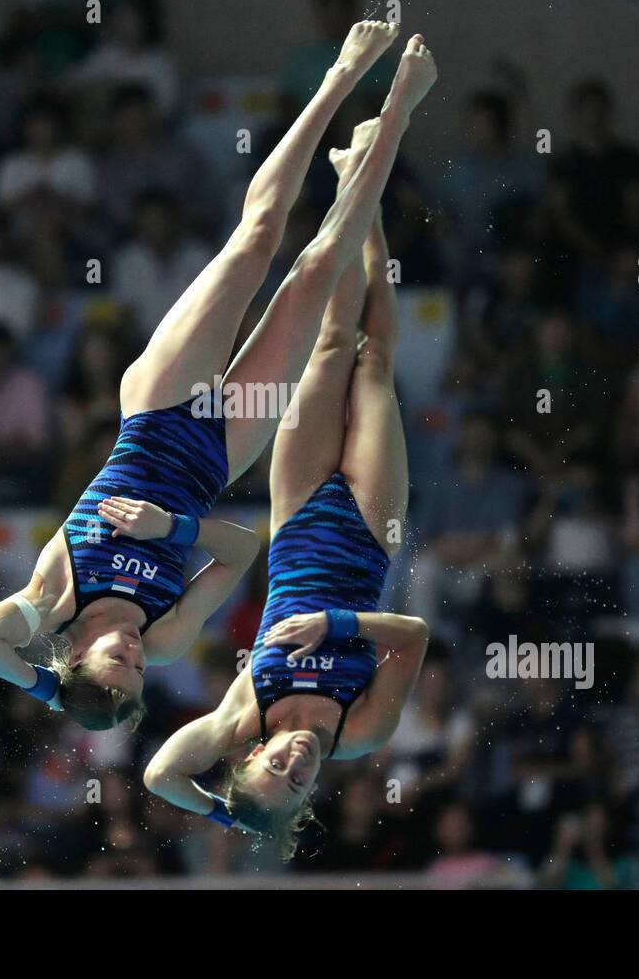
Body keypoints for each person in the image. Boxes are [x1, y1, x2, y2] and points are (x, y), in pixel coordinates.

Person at [0, 26, 435, 734]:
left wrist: (60, 695)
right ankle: (396, 112)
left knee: (255, 240)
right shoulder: (166, 634)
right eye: (137, 671)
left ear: (76, 661)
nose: (131, 654)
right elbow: (244, 548)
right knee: (315, 274)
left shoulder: (50, 597)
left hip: (155, 414)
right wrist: (171, 527)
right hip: (219, 456)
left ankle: (339, 76)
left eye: (112, 665)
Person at [142, 183, 428, 860]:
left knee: (332, 347)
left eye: (276, 768)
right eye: (300, 782)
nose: (295, 762)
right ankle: (374, 217)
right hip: (367, 527)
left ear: (251, 758)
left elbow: (159, 775)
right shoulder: (359, 733)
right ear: (310, 794)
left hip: (296, 516)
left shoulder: (243, 716)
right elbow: (413, 637)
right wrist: (339, 625)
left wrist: (226, 818)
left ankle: (357, 197)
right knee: (375, 366)